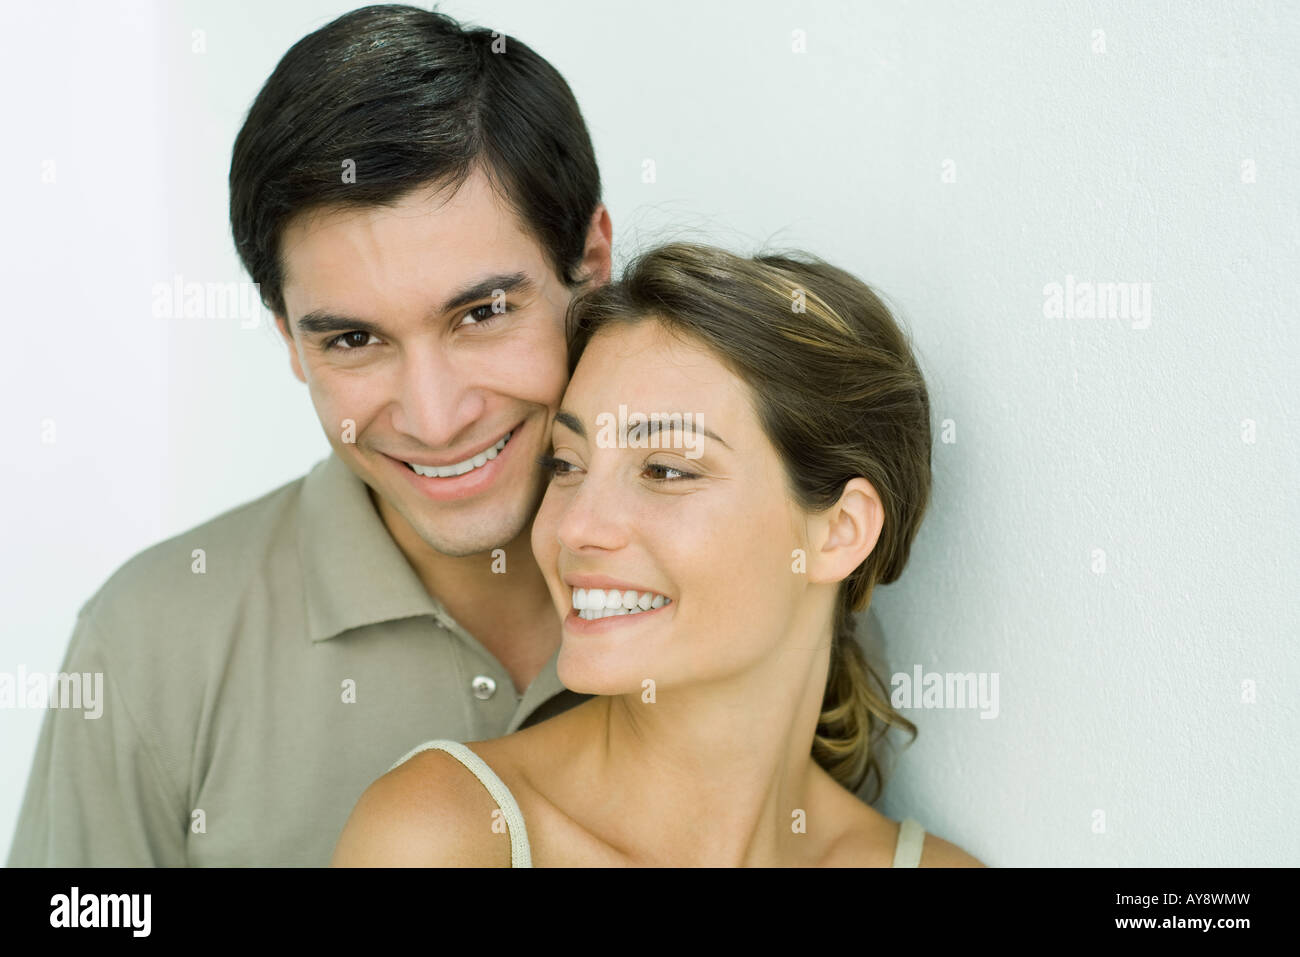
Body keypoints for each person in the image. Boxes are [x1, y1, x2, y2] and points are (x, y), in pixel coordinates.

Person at [4, 5, 890, 866]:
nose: (433, 416)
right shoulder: (149, 644)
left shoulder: (758, 591)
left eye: (483, 312)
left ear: (588, 265)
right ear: (289, 341)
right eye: (353, 339)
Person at [331, 242, 985, 867]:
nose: (576, 525)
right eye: (566, 463)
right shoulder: (449, 835)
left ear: (839, 530)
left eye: (667, 470)